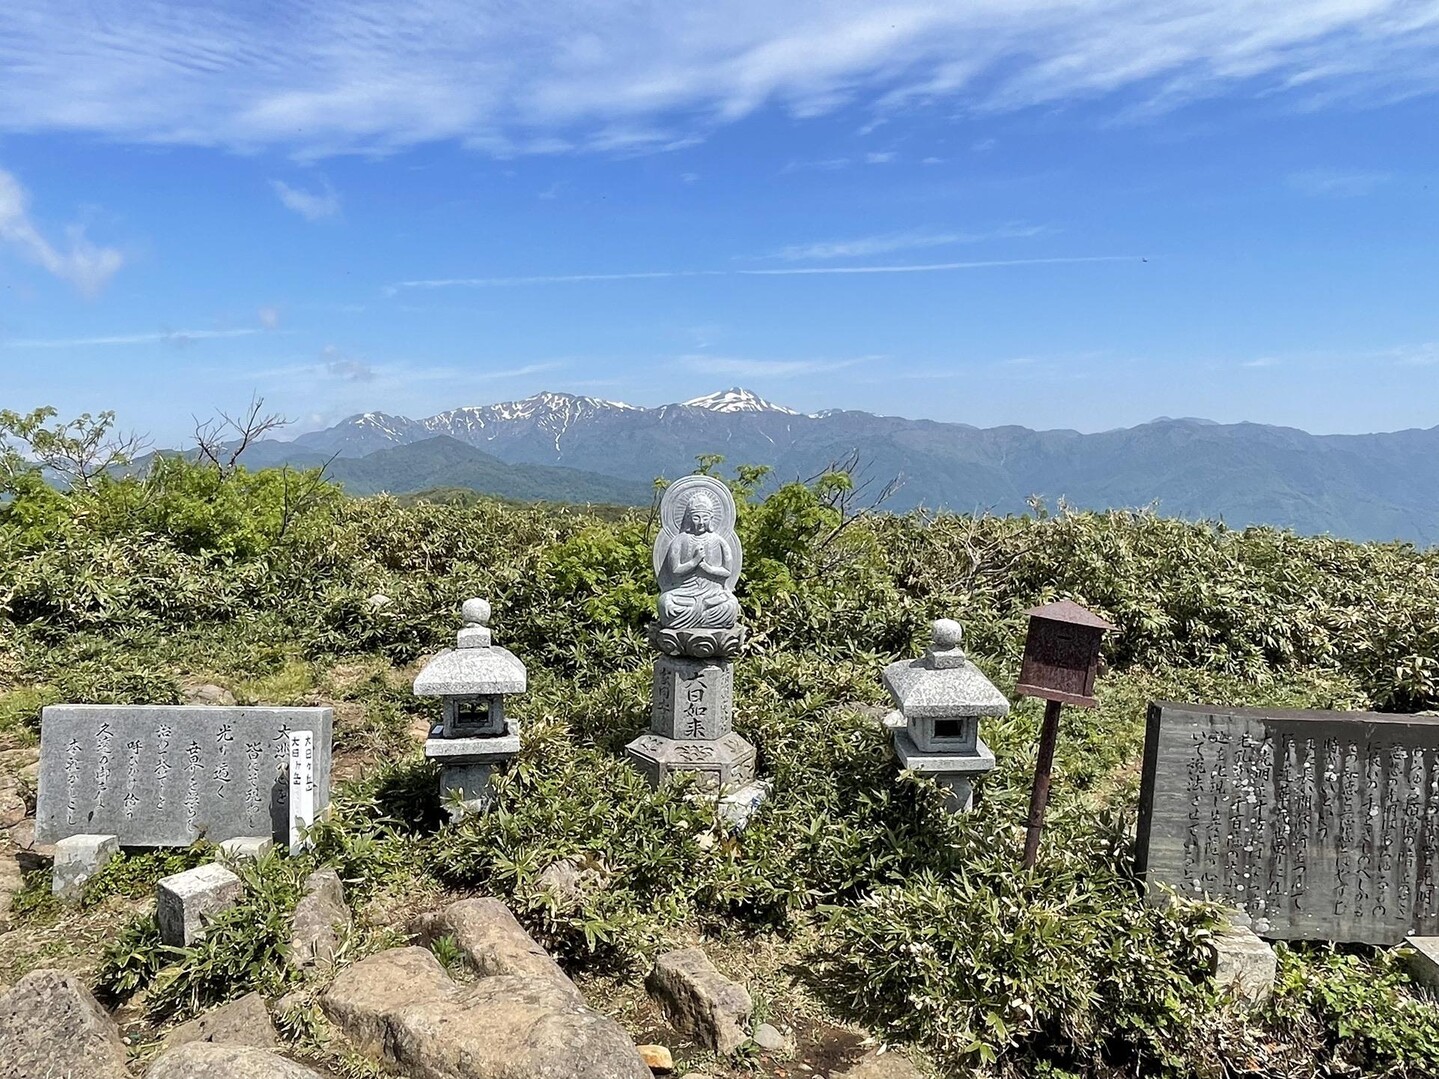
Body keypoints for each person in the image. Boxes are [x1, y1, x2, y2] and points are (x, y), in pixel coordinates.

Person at [657, 490, 740, 630]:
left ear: (711, 517)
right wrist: (694, 562)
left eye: (705, 518)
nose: (701, 522)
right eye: (696, 518)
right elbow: (675, 570)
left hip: (712, 594)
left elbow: (727, 571)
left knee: (731, 603)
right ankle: (701, 615)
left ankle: (697, 615)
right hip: (684, 592)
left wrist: (708, 568)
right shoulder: (680, 540)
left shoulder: (719, 541)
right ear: (689, 517)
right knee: (665, 602)